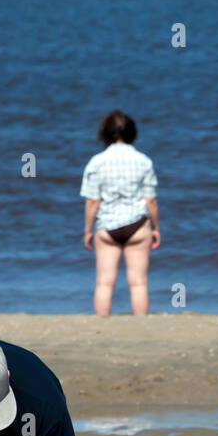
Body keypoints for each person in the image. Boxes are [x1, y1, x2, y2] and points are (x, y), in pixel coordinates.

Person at [82, 110, 160, 316]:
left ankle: (101, 325)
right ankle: (141, 325)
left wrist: (88, 231)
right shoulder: (143, 161)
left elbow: (92, 201)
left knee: (104, 283)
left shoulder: (96, 162)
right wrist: (156, 227)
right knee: (138, 283)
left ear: (105, 133)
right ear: (132, 132)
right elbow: (150, 200)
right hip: (138, 225)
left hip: (107, 226)